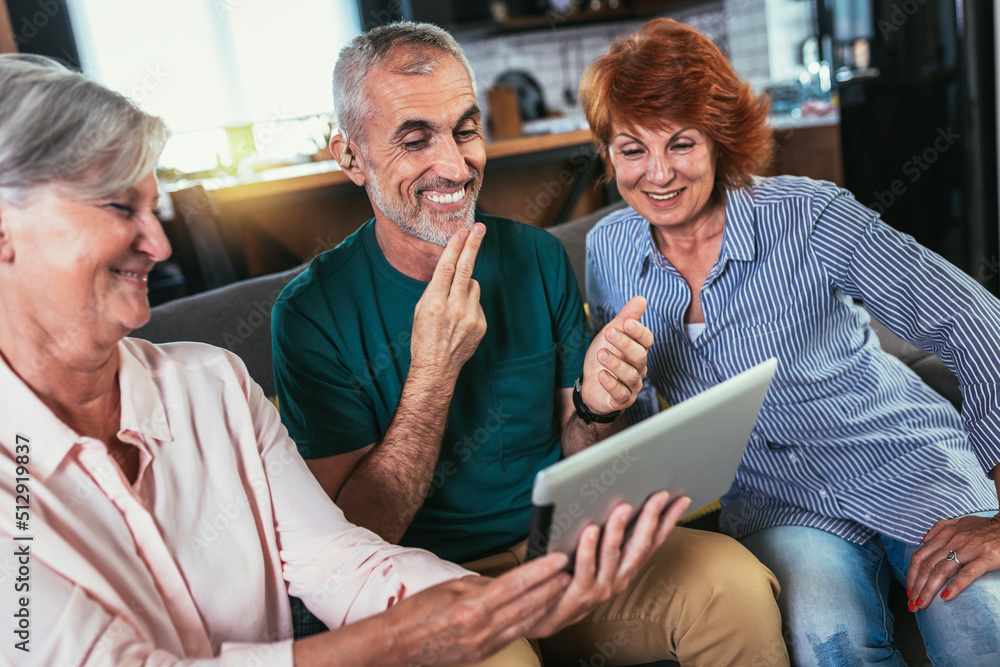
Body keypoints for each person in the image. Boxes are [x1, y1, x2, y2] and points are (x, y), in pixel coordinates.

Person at [0, 54, 692, 667]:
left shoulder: (209, 383)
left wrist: (502, 602)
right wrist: (433, 626)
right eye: (121, 206)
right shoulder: (308, 314)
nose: (158, 244)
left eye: (158, 209)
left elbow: (339, 558)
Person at [272, 21, 787, 666]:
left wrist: (599, 407)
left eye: (465, 129)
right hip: (431, 582)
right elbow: (348, 542)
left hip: (565, 555)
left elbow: (584, 444)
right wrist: (433, 373)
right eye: (415, 139)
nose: (456, 166)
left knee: (732, 585)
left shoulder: (536, 257)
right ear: (351, 157)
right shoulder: (311, 316)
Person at [580, 17, 1000, 666]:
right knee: (826, 639)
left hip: (905, 457)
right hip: (778, 501)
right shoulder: (608, 250)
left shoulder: (809, 214)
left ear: (720, 139)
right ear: (609, 153)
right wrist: (606, 398)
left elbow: (976, 323)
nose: (657, 173)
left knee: (975, 614)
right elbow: (636, 427)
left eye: (682, 143)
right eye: (632, 148)